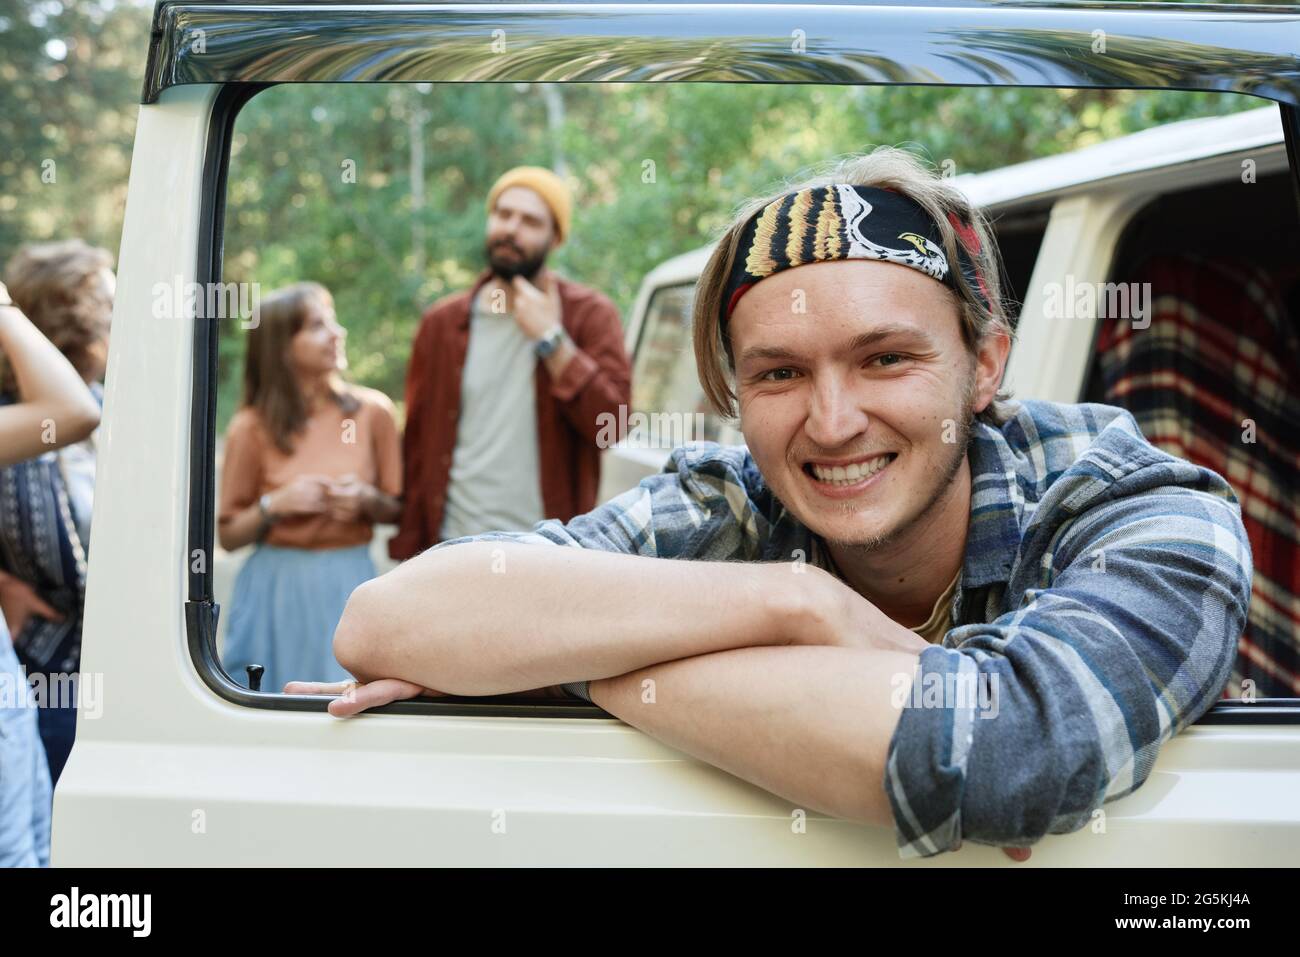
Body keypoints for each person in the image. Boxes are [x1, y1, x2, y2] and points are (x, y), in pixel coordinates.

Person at [291, 148, 1252, 861]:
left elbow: (1008, 749)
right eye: (781, 373)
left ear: (985, 363)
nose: (832, 423)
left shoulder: (1144, 507)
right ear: (737, 397)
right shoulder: (734, 500)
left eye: (885, 357)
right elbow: (391, 616)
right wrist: (803, 606)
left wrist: (570, 661)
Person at [388, 166, 632, 560]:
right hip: (451, 545)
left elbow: (612, 426)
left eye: (530, 221)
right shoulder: (440, 324)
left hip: (546, 551)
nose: (511, 229)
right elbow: (417, 442)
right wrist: (409, 544)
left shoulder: (589, 314)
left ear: (555, 238)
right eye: (503, 214)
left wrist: (552, 339)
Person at [218, 282, 402, 693]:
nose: (338, 332)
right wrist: (273, 506)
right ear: (282, 347)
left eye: (333, 320)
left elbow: (396, 507)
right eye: (318, 326)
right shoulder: (251, 427)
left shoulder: (373, 413)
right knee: (268, 706)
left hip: (348, 582)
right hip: (273, 590)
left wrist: (365, 501)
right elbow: (228, 536)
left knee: (347, 701)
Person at [0, 240, 112, 788]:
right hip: (40, 666)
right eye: (111, 303)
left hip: (121, 662)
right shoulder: (13, 415)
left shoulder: (126, 406)